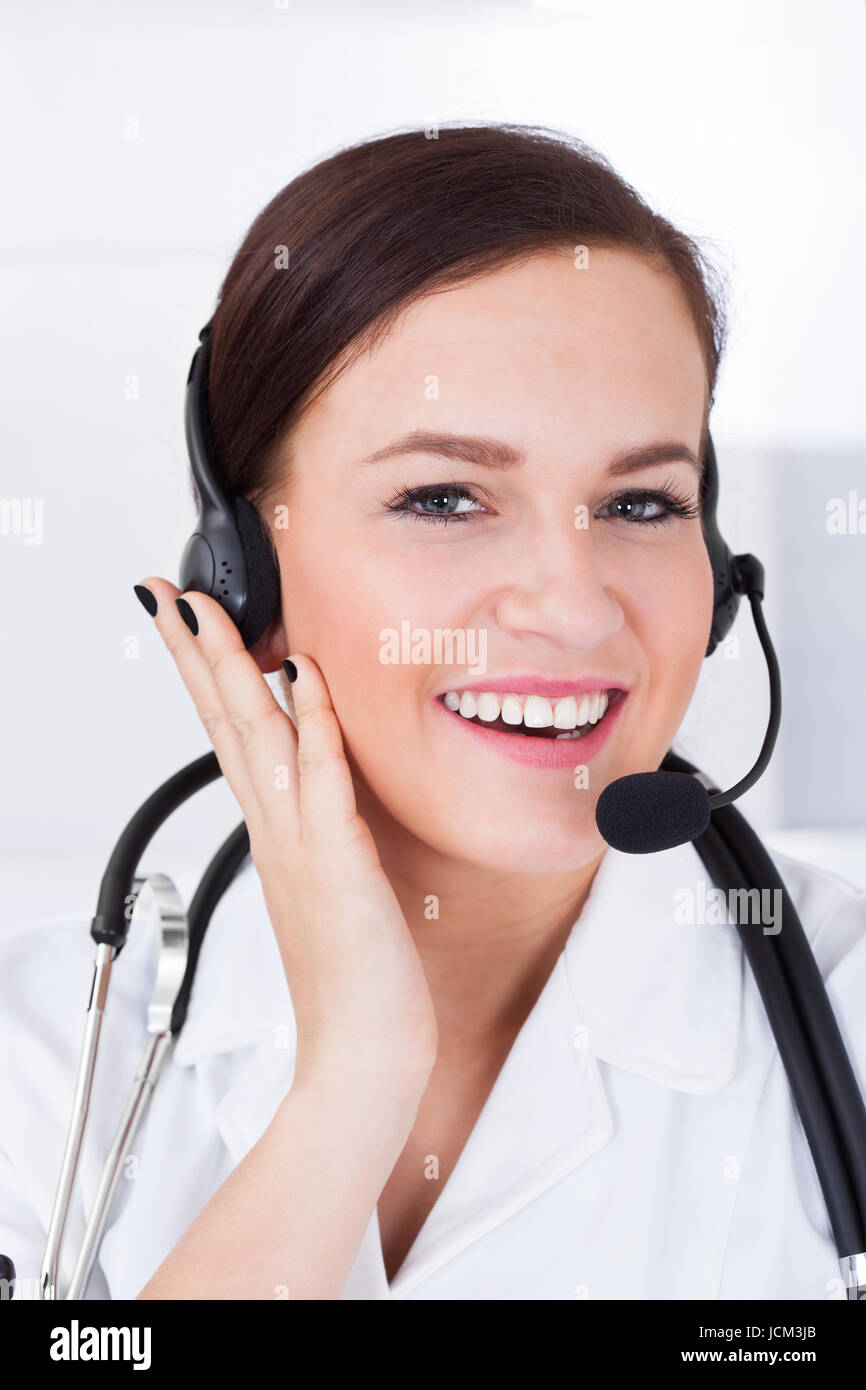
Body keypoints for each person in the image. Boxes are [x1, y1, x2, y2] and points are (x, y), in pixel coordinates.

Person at [2, 124, 865, 1302]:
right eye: (444, 496)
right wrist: (351, 1083)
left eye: (641, 501)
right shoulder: (39, 1058)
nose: (570, 607)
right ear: (240, 573)